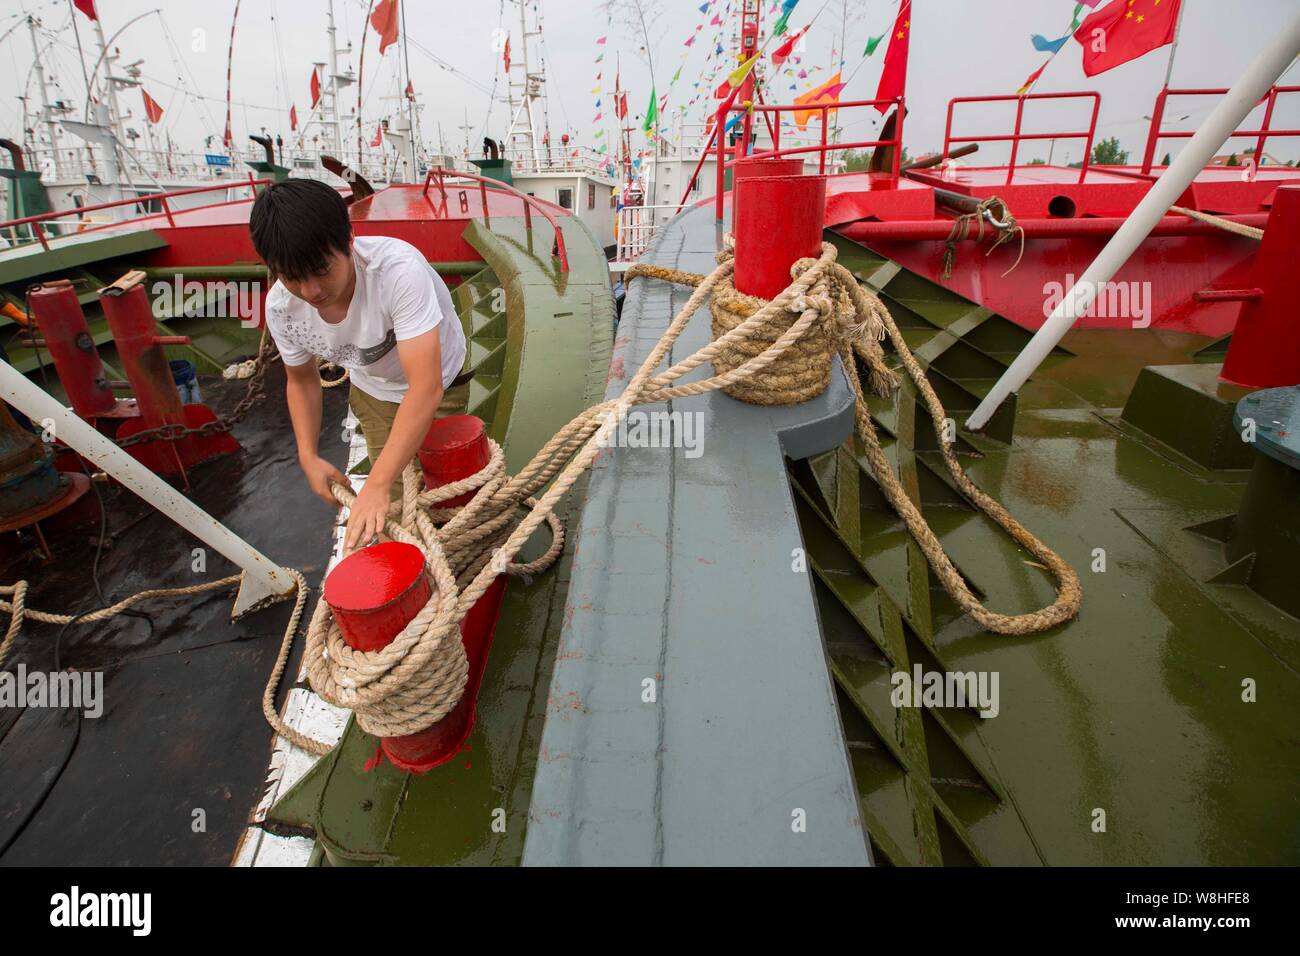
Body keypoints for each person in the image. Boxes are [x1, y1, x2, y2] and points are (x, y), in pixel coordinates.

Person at [249, 178, 467, 552]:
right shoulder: (282, 308)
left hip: (441, 379)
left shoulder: (398, 272)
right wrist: (307, 455)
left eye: (321, 270)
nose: (311, 291)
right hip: (375, 389)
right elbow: (302, 382)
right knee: (395, 511)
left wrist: (377, 484)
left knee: (451, 487)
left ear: (349, 240)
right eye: (292, 277)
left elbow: (426, 388)